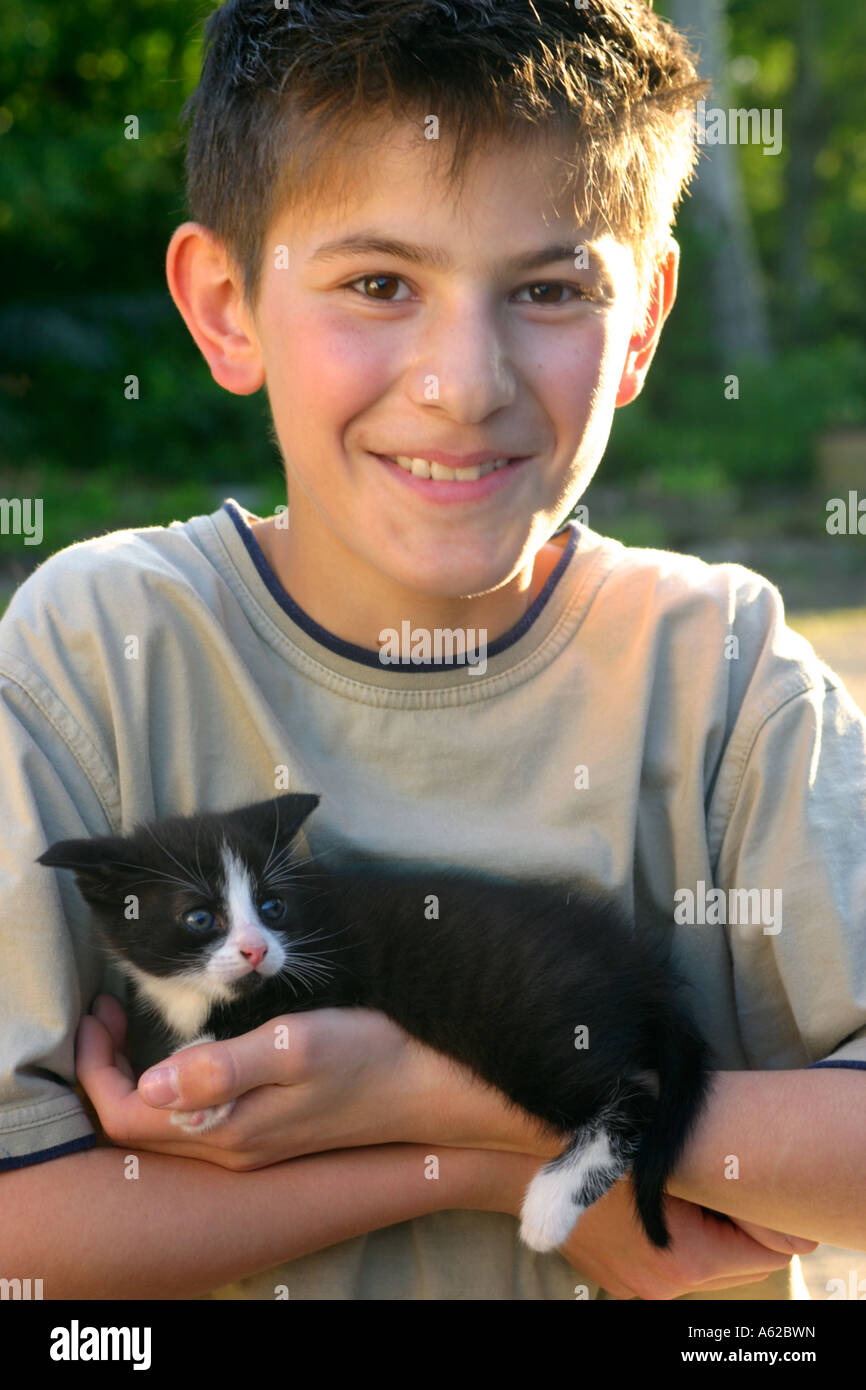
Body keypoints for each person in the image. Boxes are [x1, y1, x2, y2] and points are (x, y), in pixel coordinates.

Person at [1, 0, 864, 1301]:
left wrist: (425, 1092)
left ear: (641, 320)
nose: (463, 380)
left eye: (549, 290)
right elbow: (22, 1209)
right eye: (377, 284)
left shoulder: (723, 669)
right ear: (225, 306)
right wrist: (473, 1152)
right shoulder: (99, 648)